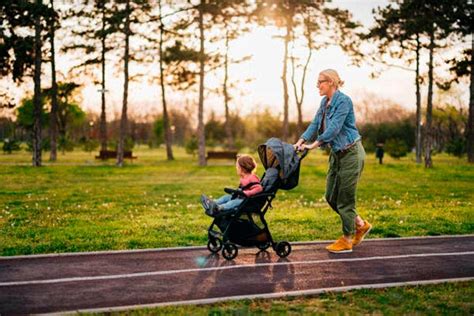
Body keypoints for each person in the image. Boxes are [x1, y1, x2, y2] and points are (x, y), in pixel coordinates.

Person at [293, 69, 372, 253]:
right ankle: (360, 224)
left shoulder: (343, 101)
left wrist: (315, 144)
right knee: (330, 196)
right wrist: (301, 140)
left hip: (351, 153)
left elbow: (335, 128)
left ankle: (347, 238)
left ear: (332, 82)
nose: (317, 85)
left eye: (321, 81)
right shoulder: (324, 102)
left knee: (345, 199)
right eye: (318, 82)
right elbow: (315, 124)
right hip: (337, 154)